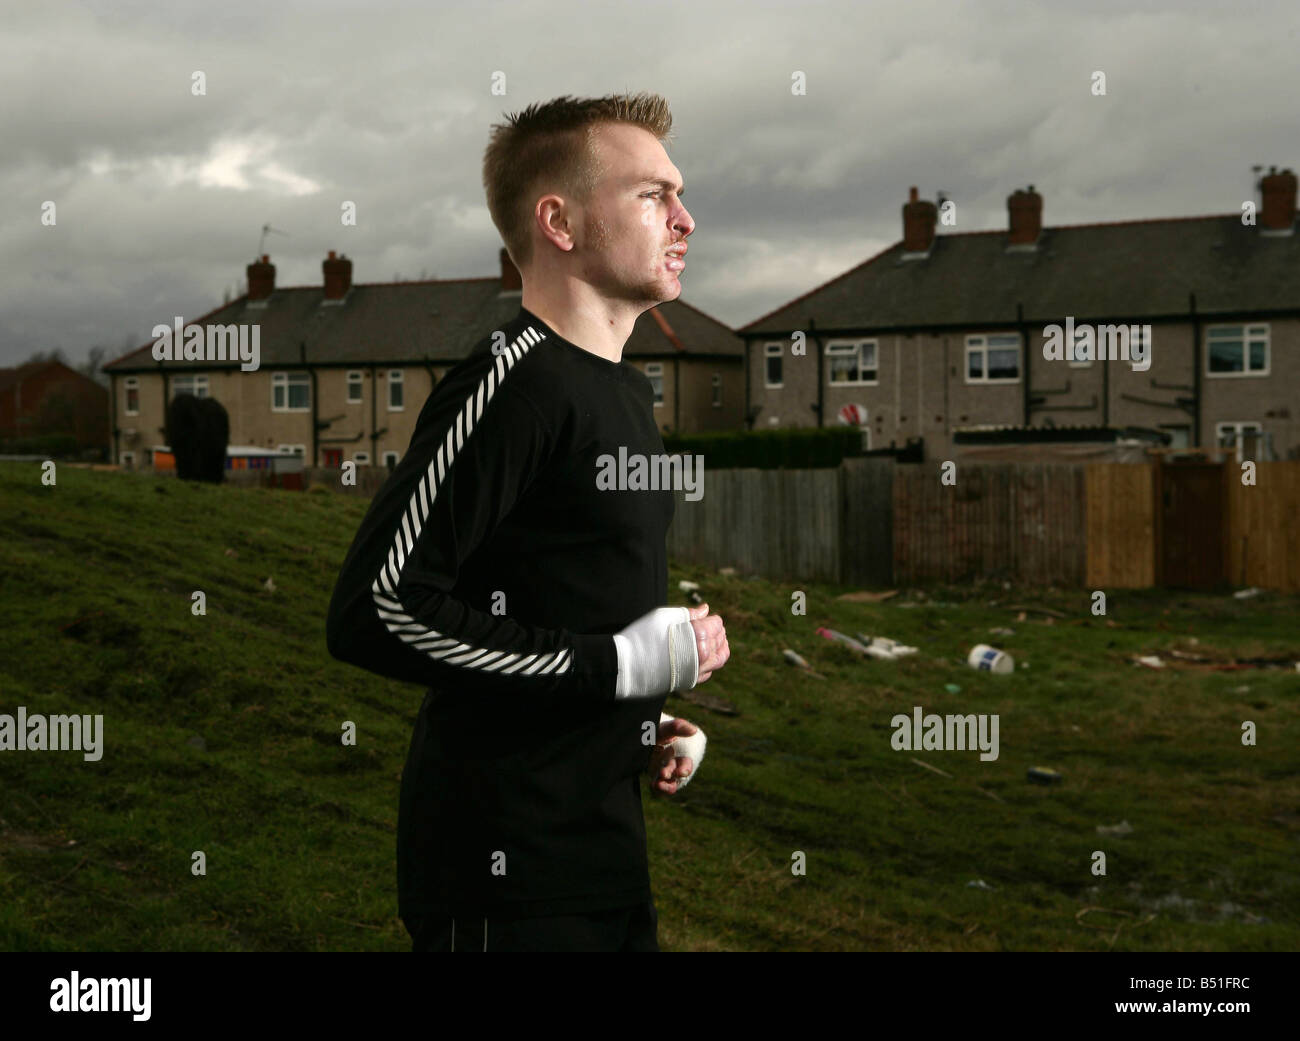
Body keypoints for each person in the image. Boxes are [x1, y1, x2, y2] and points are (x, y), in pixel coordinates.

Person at [325, 91, 730, 952]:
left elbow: (555, 599)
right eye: (653, 195)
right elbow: (377, 607)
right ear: (559, 221)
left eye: (679, 194)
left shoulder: (623, 388)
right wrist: (617, 665)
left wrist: (642, 718)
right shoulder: (509, 386)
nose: (685, 219)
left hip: (605, 855)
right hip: (504, 873)